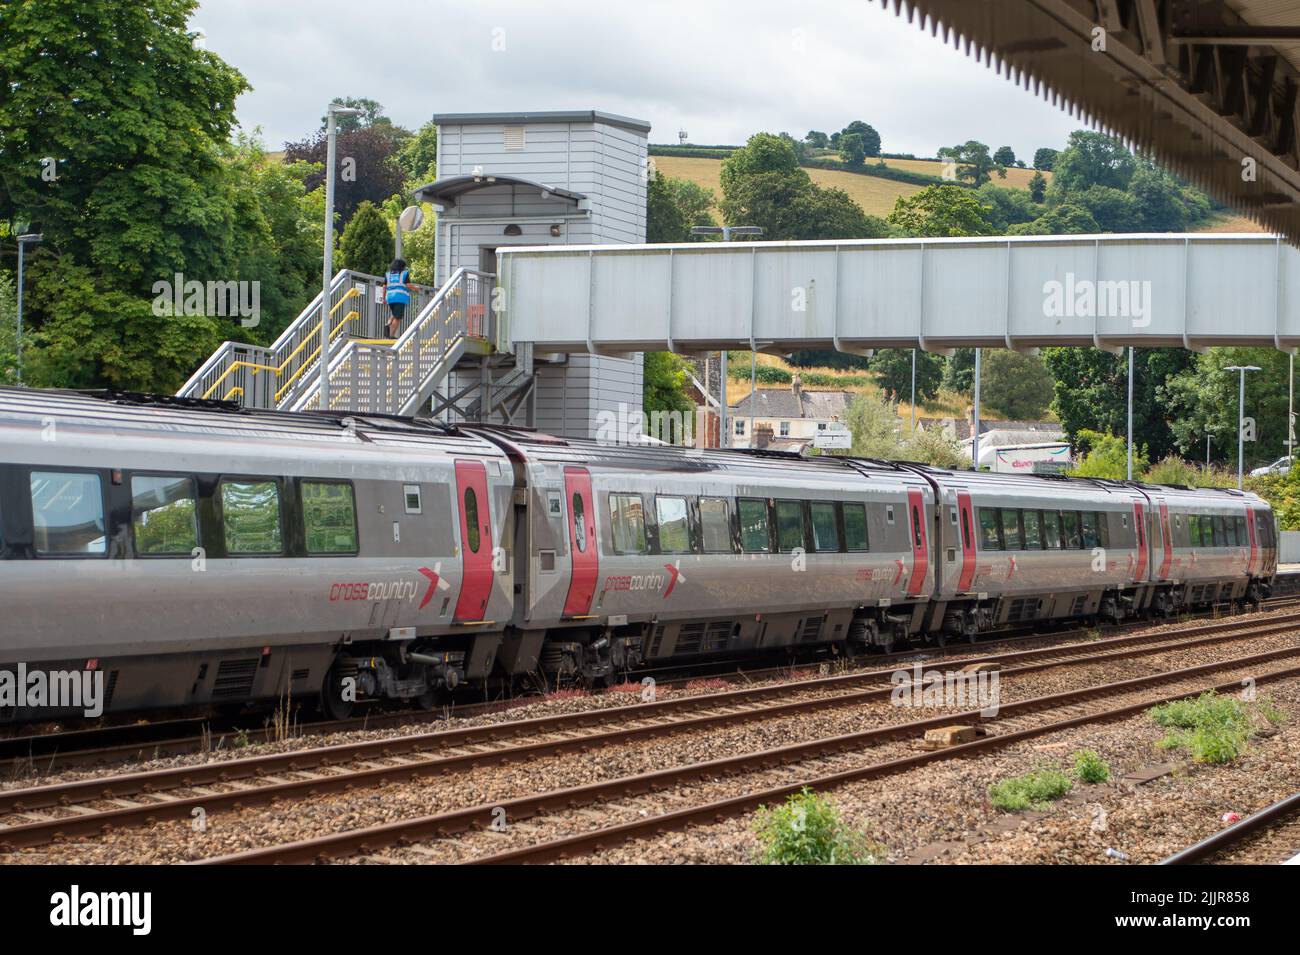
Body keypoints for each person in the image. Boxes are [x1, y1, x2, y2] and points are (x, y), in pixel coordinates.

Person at [384, 258, 415, 338]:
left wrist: (383, 298)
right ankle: (391, 335)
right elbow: (408, 285)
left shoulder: (388, 274)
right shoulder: (404, 274)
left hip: (390, 297)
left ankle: (388, 323)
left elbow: (384, 287)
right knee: (398, 317)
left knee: (395, 313)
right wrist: (417, 288)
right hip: (400, 297)